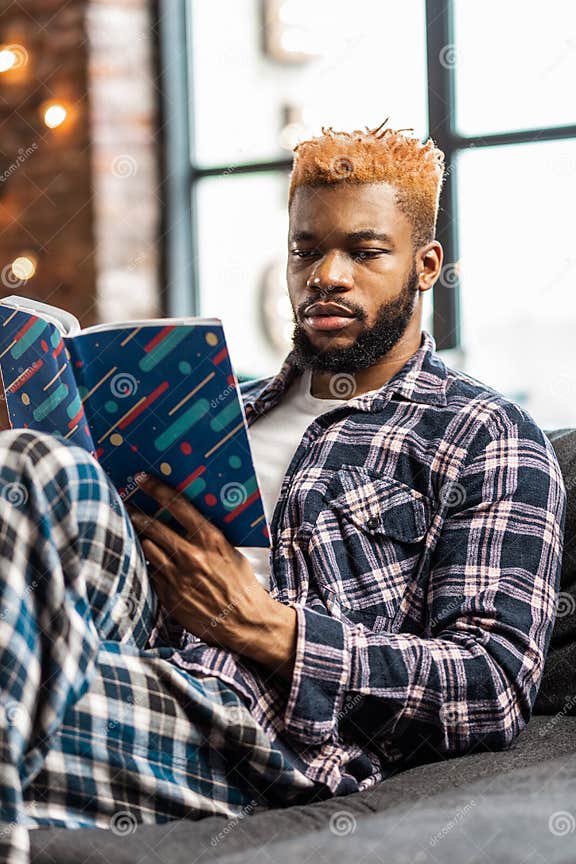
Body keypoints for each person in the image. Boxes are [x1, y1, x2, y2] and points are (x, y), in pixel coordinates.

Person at [0, 121, 566, 864]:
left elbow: (489, 687)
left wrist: (265, 627)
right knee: (37, 461)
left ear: (425, 265)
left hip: (263, 733)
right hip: (123, 643)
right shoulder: (221, 404)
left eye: (364, 252)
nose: (327, 275)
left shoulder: (484, 436)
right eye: (307, 250)